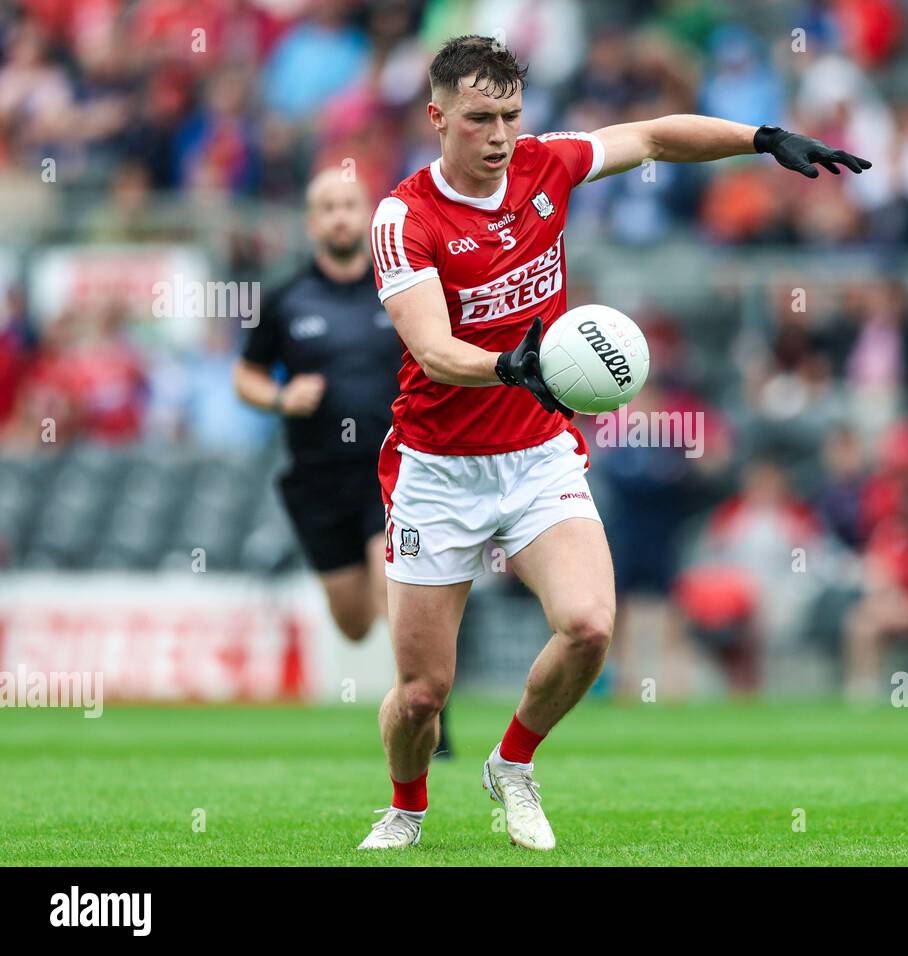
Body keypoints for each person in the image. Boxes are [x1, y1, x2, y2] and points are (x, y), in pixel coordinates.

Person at [358, 34, 870, 851]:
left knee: (591, 624)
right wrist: (513, 364)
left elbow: (656, 135)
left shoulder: (544, 165)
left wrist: (762, 138)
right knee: (422, 694)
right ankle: (406, 807)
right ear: (437, 116)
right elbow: (431, 352)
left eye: (511, 116)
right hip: (437, 469)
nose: (498, 135)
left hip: (536, 453)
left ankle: (513, 763)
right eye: (479, 118)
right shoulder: (402, 218)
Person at [235, 169, 453, 755]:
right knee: (354, 621)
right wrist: (281, 396)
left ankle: (431, 718)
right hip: (317, 477)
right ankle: (423, 697)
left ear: (368, 215)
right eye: (327, 207)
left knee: (392, 583)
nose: (339, 216)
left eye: (349, 205)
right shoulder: (284, 300)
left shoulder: (400, 285)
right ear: (311, 222)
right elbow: (246, 375)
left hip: (393, 468)